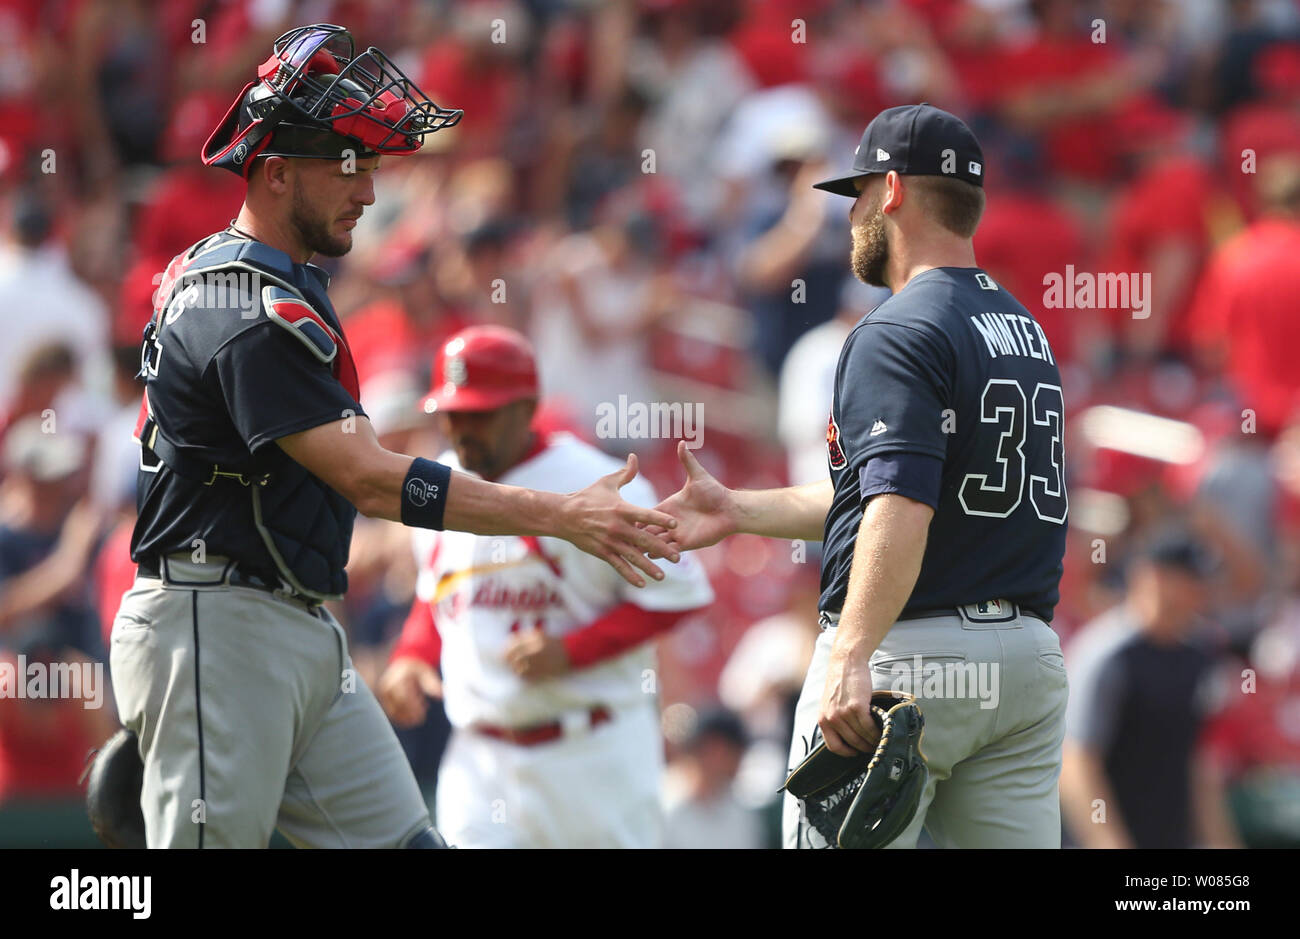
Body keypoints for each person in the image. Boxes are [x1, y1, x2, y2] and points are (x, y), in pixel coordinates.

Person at [110, 25, 681, 850]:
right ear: (275, 173)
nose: (369, 192)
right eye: (348, 165)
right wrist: (558, 513)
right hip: (217, 619)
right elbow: (370, 480)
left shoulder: (272, 280)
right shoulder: (240, 301)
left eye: (371, 166)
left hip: (289, 623)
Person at [656, 104, 1071, 848]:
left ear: (893, 191)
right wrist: (738, 508)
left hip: (909, 659)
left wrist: (850, 650)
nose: (850, 215)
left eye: (857, 194)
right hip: (1027, 667)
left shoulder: (895, 328)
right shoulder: (1023, 328)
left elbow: (902, 503)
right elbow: (899, 493)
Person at [376, 326, 713, 848]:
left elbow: (676, 597)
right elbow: (437, 590)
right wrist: (414, 654)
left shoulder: (601, 484)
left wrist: (569, 651)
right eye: (452, 413)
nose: (463, 428)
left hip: (592, 753)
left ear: (527, 406)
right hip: (478, 757)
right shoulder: (438, 483)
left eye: (480, 413)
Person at [1060, 528, 1239, 848]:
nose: (1201, 590)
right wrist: (1107, 842)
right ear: (1152, 576)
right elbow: (1076, 761)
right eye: (1189, 578)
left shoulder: (1200, 653)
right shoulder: (1107, 652)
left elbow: (1197, 760)